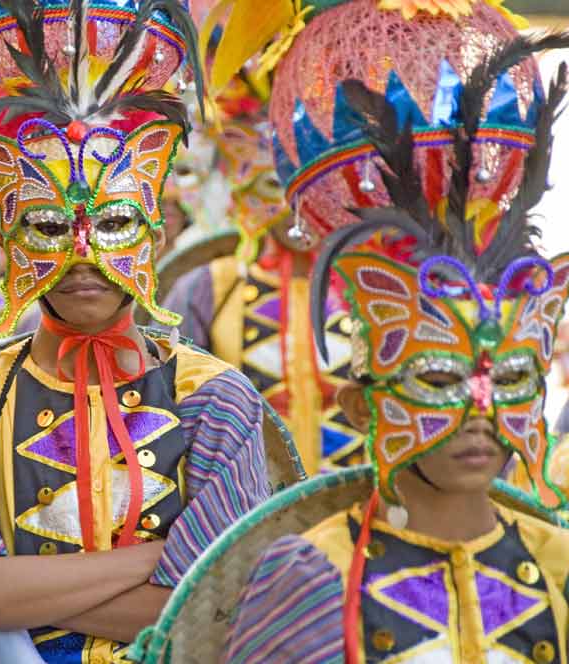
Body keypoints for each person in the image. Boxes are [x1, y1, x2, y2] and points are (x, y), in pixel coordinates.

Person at [0, 2, 287, 662]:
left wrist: (14, 589)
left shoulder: (217, 399)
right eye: (51, 227)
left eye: (113, 227)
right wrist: (162, 559)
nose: (84, 257)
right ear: (9, 239)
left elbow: (222, 610)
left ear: (156, 235)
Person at [219, 29, 569, 663]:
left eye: (511, 378)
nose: (480, 411)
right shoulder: (312, 578)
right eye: (438, 380)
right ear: (361, 408)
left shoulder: (558, 567)